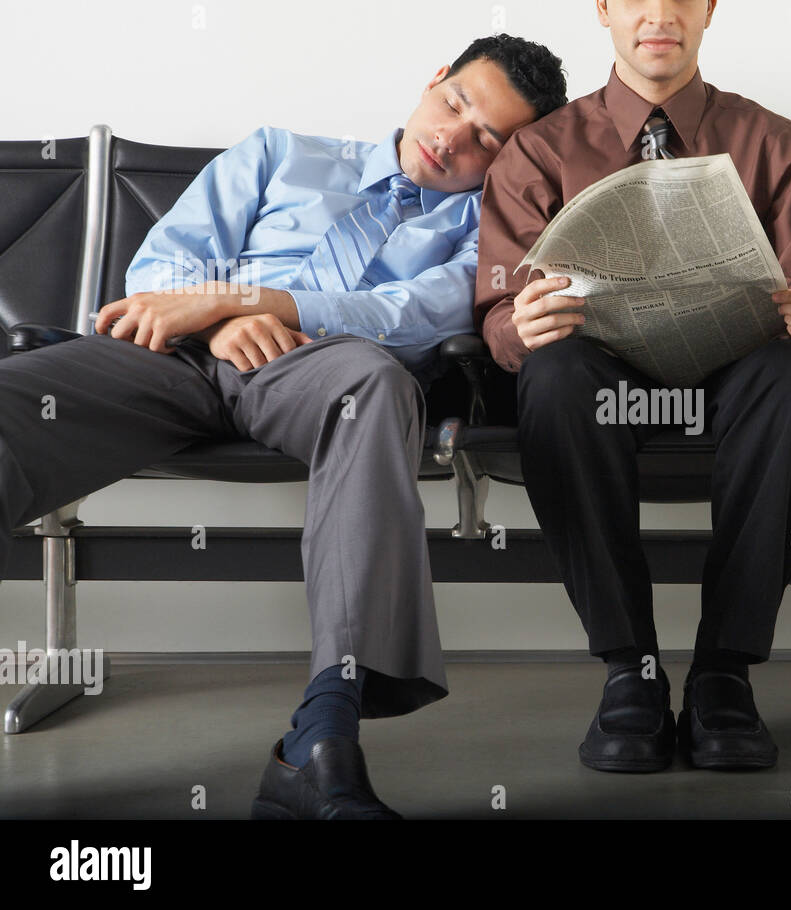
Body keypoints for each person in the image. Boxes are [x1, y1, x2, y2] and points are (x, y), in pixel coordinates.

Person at [0, 34, 567, 818]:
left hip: (320, 367)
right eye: (456, 102)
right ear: (435, 78)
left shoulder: (488, 229)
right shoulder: (278, 153)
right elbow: (161, 268)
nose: (453, 136)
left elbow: (410, 316)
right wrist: (214, 326)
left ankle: (322, 733)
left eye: (488, 140)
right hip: (181, 358)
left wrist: (249, 304)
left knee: (377, 382)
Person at [474, 0, 791, 773]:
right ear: (604, 10)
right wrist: (517, 323)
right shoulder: (538, 150)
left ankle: (726, 668)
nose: (661, 14)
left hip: (744, 367)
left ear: (712, 8)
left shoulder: (775, 142)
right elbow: (497, 306)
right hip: (598, 368)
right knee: (554, 376)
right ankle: (632, 669)